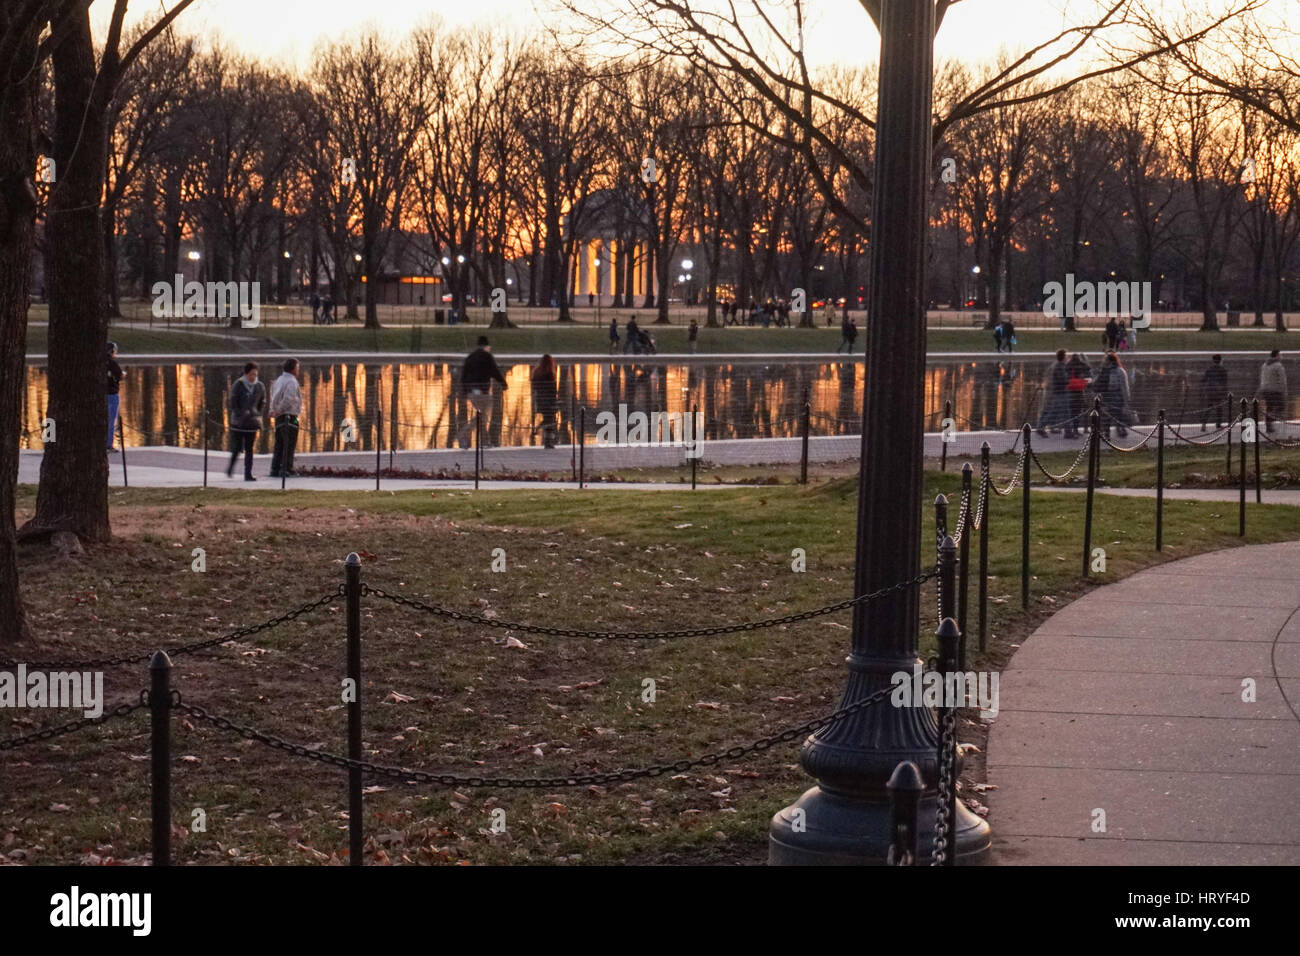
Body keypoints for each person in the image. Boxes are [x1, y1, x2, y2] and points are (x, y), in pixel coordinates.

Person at [457, 336, 507, 449]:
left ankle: (484, 441)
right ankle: (464, 434)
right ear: (486, 346)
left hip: (471, 392)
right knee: (483, 416)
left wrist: (464, 392)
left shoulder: (470, 357)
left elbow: (463, 376)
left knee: (482, 416)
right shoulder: (487, 356)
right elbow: (494, 371)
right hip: (482, 392)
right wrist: (503, 383)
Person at [226, 362, 266, 480]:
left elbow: (262, 401)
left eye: (255, 374)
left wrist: (257, 413)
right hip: (238, 423)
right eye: (251, 374)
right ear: (246, 374)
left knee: (249, 448)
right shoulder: (238, 385)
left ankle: (248, 474)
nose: (253, 377)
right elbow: (233, 403)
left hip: (252, 422)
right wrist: (241, 413)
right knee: (237, 448)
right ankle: (230, 468)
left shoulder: (260, 386)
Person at [268, 358, 303, 478]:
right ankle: (287, 468)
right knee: (290, 442)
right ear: (293, 369)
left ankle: (275, 468)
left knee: (279, 443)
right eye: (297, 368)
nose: (298, 370)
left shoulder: (279, 380)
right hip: (289, 416)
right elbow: (288, 399)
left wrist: (273, 410)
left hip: (279, 417)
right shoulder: (292, 382)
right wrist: (279, 410)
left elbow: (273, 396)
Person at [1095, 351, 1131, 438]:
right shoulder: (1120, 371)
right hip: (1117, 395)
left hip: (1106, 395)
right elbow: (1124, 386)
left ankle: (1106, 433)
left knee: (1106, 415)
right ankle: (1121, 430)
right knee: (1119, 414)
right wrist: (1127, 398)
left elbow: (1098, 383)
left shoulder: (1104, 371)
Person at [1036, 349, 1070, 437]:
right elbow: (1062, 380)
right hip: (1059, 393)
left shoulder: (1061, 366)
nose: (1067, 357)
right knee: (1054, 412)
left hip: (1060, 392)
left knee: (1065, 412)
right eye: (1066, 356)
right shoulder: (1059, 367)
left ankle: (1068, 432)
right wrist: (1068, 380)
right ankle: (1041, 427)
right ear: (1063, 357)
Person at [531, 354, 559, 448]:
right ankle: (548, 441)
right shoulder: (550, 374)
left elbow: (535, 387)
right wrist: (555, 401)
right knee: (550, 422)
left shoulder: (537, 373)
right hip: (549, 402)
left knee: (548, 420)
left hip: (541, 401)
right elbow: (553, 390)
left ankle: (547, 441)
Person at [1258, 349, 1287, 433]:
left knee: (1269, 407)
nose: (1281, 356)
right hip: (1275, 390)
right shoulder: (1278, 366)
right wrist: (1284, 392)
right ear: (1277, 355)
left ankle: (1269, 425)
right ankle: (1271, 421)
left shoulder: (1264, 365)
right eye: (1280, 355)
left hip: (1265, 390)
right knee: (1280, 407)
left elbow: (1262, 378)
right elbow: (1282, 380)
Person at [1064, 353, 1092, 438]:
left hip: (1071, 391)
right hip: (1079, 391)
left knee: (1071, 412)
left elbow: (1066, 370)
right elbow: (1088, 367)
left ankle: (1070, 430)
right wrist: (1081, 361)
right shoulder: (1080, 365)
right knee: (1077, 411)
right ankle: (1075, 430)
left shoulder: (1069, 366)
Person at [1200, 354, 1229, 430]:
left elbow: (1204, 379)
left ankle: (1204, 424)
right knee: (1219, 408)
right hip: (1218, 392)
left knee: (1208, 408)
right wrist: (1225, 393)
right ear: (1220, 360)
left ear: (1213, 360)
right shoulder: (1223, 370)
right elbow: (1224, 382)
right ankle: (1218, 424)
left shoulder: (1209, 369)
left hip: (1209, 391)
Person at [105, 342, 125, 453]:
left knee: (103, 420)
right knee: (111, 421)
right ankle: (108, 444)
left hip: (101, 395)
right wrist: (122, 375)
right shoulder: (112, 363)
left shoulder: (99, 363)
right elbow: (119, 375)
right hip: (112, 395)